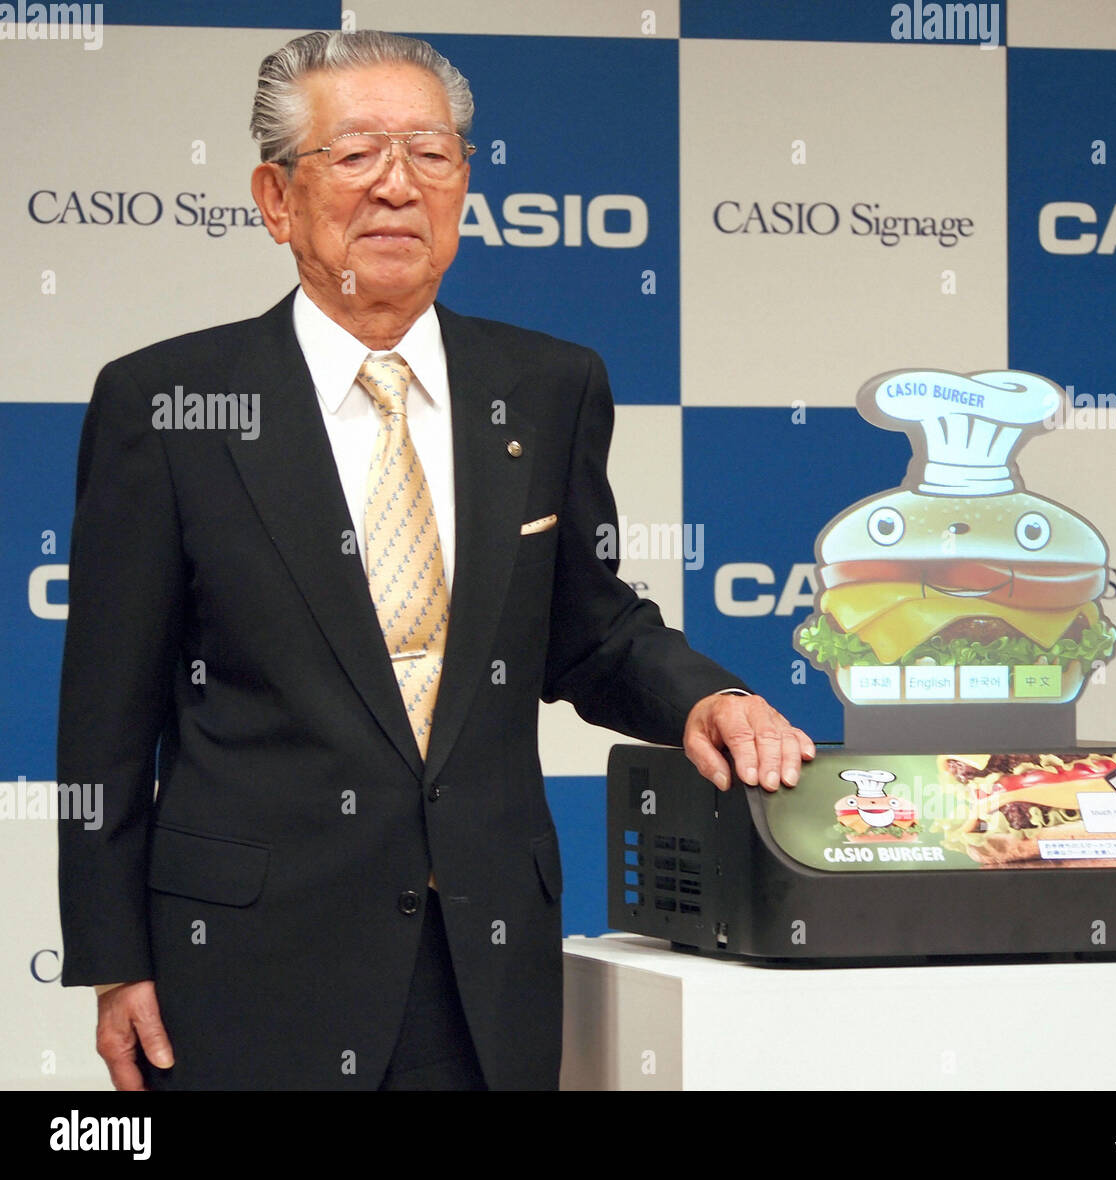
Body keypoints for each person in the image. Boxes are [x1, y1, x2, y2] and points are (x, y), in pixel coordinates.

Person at [57, 29, 813, 1091]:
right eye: (358, 153)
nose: (398, 186)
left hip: (482, 952)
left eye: (432, 153)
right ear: (275, 200)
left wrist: (703, 699)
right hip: (244, 962)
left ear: (464, 187)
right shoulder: (170, 404)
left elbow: (588, 629)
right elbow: (104, 712)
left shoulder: (549, 386)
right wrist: (111, 958)